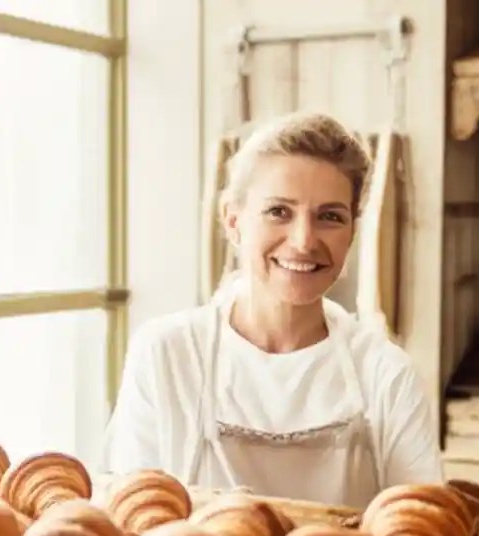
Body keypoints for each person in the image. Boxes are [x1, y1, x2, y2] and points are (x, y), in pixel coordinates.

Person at [103, 111, 443, 508]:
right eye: (279, 211)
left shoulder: (387, 375)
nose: (303, 241)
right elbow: (133, 517)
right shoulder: (166, 354)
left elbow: (423, 528)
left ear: (352, 232)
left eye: (330, 217)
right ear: (233, 221)